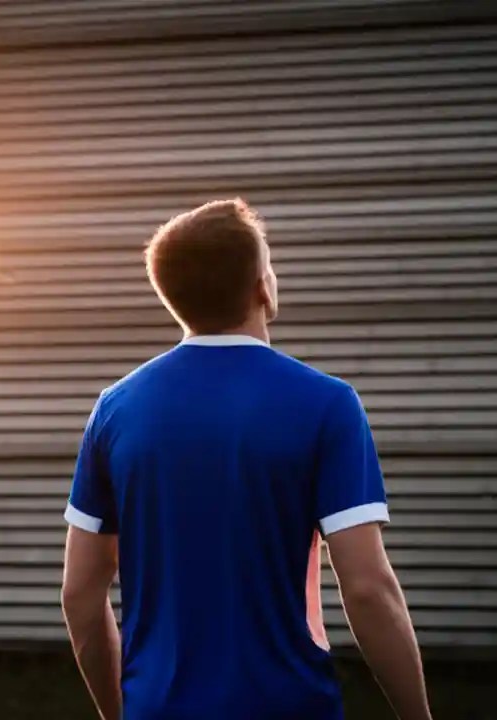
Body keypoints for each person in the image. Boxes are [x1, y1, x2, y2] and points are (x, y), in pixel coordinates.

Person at [60, 199, 432, 720]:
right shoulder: (327, 405)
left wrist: (118, 712)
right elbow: (368, 589)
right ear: (262, 285)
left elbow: (80, 593)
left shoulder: (114, 412)